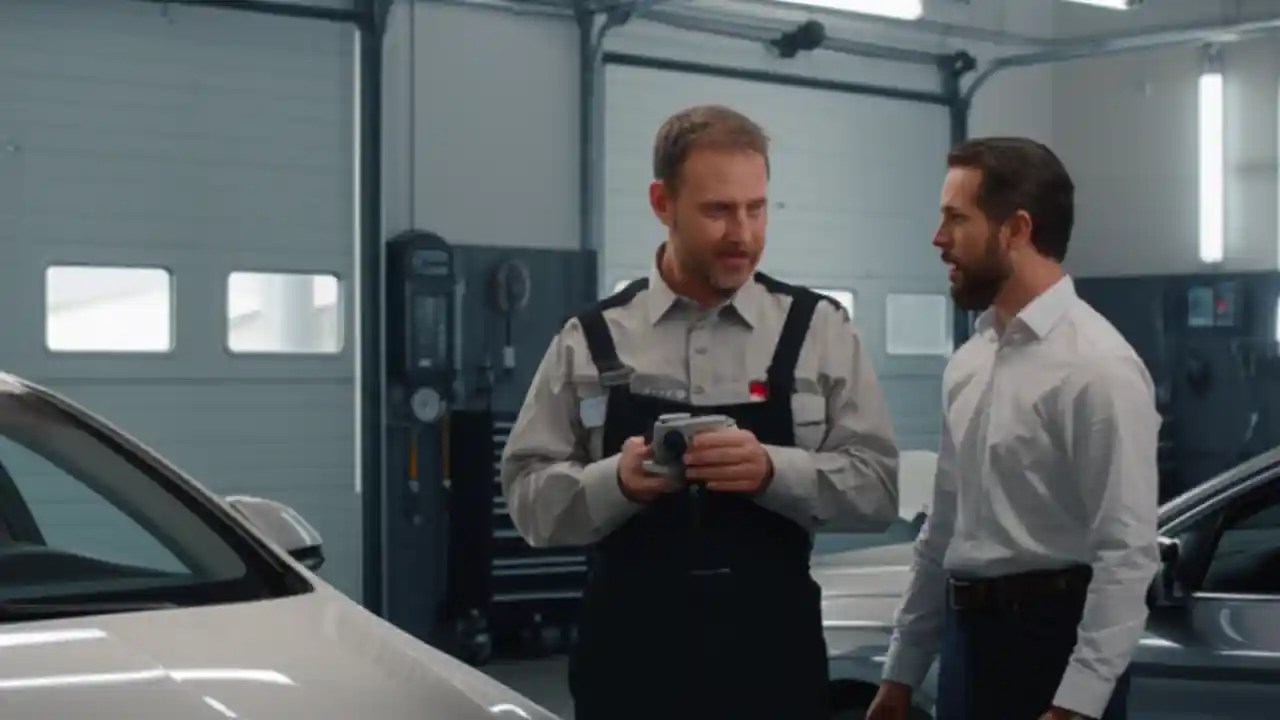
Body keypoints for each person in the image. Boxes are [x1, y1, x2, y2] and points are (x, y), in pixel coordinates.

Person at [500, 104, 901, 720]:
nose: (742, 232)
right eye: (718, 211)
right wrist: (616, 483)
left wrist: (773, 472)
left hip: (773, 667)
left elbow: (877, 490)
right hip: (629, 669)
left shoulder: (818, 331)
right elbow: (527, 498)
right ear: (663, 204)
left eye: (756, 208)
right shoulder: (591, 339)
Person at [865, 138, 1161, 720]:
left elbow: (1126, 554)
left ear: (1016, 229)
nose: (937, 238)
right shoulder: (970, 362)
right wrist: (901, 673)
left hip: (1052, 652)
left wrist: (1077, 703)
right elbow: (941, 532)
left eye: (956, 218)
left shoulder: (1098, 366)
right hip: (969, 645)